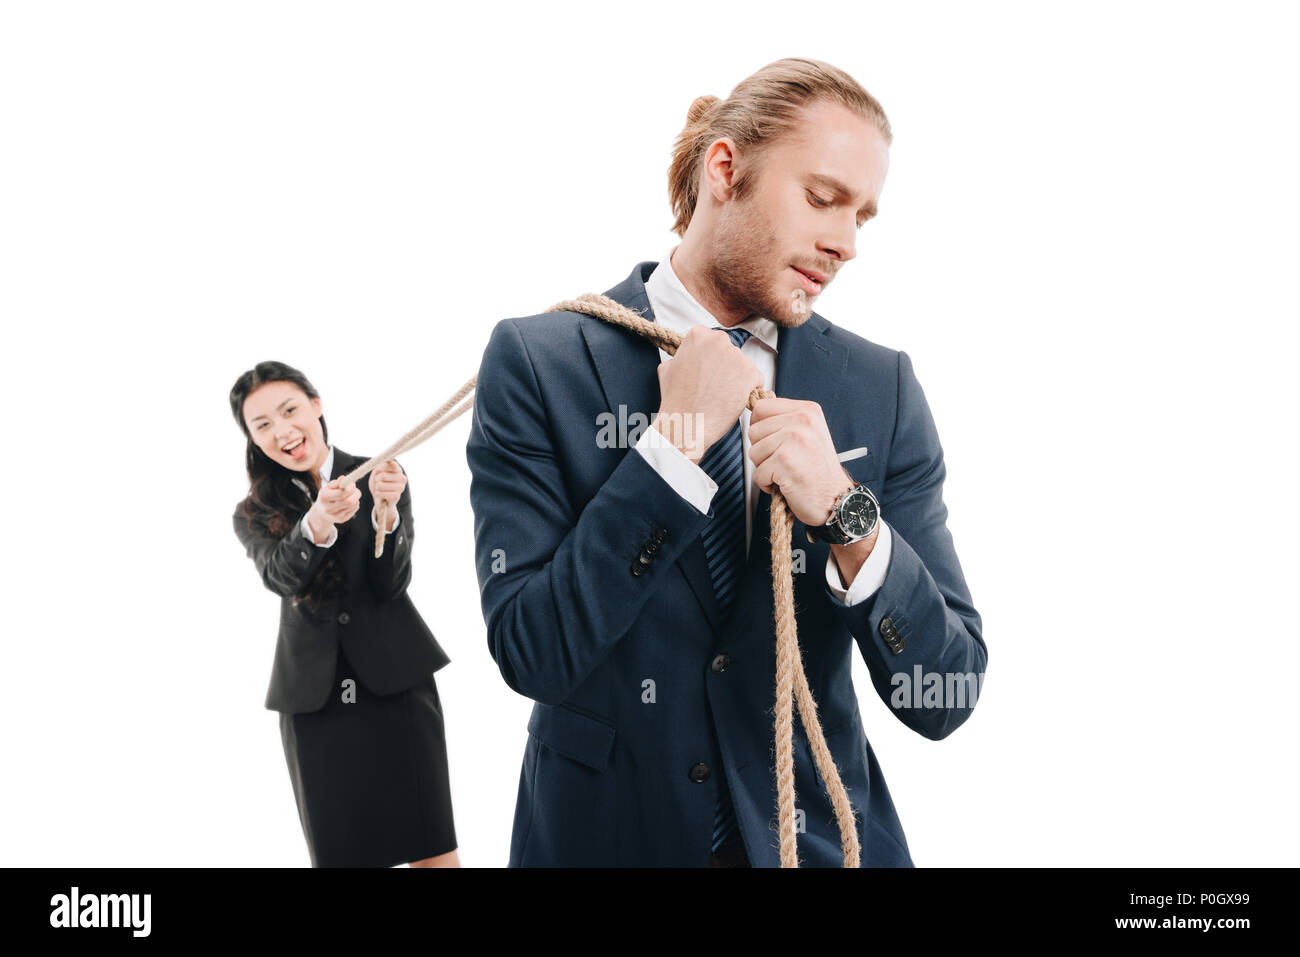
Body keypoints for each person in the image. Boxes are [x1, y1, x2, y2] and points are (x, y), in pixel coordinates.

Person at [466, 58, 986, 867]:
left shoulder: (880, 388)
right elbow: (533, 650)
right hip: (604, 839)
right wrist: (671, 450)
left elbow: (947, 690)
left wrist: (848, 513)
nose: (845, 242)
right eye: (821, 198)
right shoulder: (540, 361)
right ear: (724, 169)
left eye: (863, 216)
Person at [230, 360, 460, 868]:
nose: (282, 431)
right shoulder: (252, 511)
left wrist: (385, 515)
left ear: (315, 405)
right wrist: (314, 524)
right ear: (251, 438)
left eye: (289, 411)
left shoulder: (381, 473)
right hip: (314, 702)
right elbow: (280, 578)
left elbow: (392, 584)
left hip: (397, 683)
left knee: (434, 854)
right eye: (262, 425)